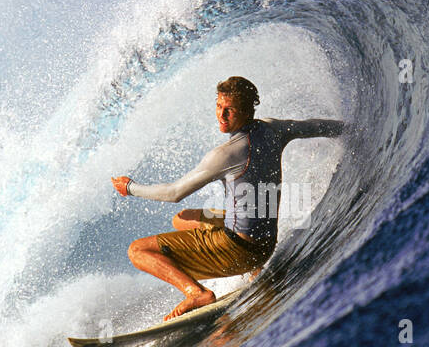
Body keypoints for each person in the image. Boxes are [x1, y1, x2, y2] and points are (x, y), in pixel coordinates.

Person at [112, 76, 345, 321]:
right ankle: (256, 271)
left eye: (229, 110)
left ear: (246, 111)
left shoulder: (226, 155)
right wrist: (349, 128)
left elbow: (174, 193)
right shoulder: (273, 128)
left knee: (137, 250)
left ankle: (196, 293)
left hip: (239, 250)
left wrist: (131, 187)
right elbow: (314, 126)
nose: (221, 116)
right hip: (265, 242)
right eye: (219, 107)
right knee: (183, 219)